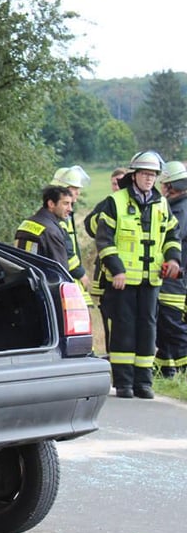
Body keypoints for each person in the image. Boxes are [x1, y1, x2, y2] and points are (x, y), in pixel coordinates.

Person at [94, 151, 182, 398]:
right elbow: (104, 240)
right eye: (145, 174)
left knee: (148, 329)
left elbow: (172, 236)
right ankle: (123, 382)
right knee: (124, 329)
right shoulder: (116, 202)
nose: (149, 179)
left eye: (153, 175)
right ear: (134, 176)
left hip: (151, 279)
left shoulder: (161, 204)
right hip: (122, 282)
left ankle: (144, 383)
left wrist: (173, 259)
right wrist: (117, 270)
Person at [86, 167, 128, 355]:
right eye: (114, 182)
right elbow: (90, 226)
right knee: (107, 315)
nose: (117, 185)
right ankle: (111, 355)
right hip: (105, 272)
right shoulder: (106, 204)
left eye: (120, 181)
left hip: (129, 272)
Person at [156, 161, 187, 377]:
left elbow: (170, 238)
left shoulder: (178, 210)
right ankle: (164, 371)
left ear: (169, 186)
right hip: (176, 278)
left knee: (173, 326)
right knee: (165, 327)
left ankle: (184, 370)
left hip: (174, 280)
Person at [49, 166, 92, 295]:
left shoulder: (65, 214)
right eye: (75, 188)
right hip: (66, 278)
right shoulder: (59, 217)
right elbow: (66, 251)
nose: (78, 192)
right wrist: (81, 274)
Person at [14, 186, 75, 264]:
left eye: (71, 204)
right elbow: (59, 269)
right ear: (51, 204)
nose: (70, 209)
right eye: (66, 203)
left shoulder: (26, 223)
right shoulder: (50, 231)